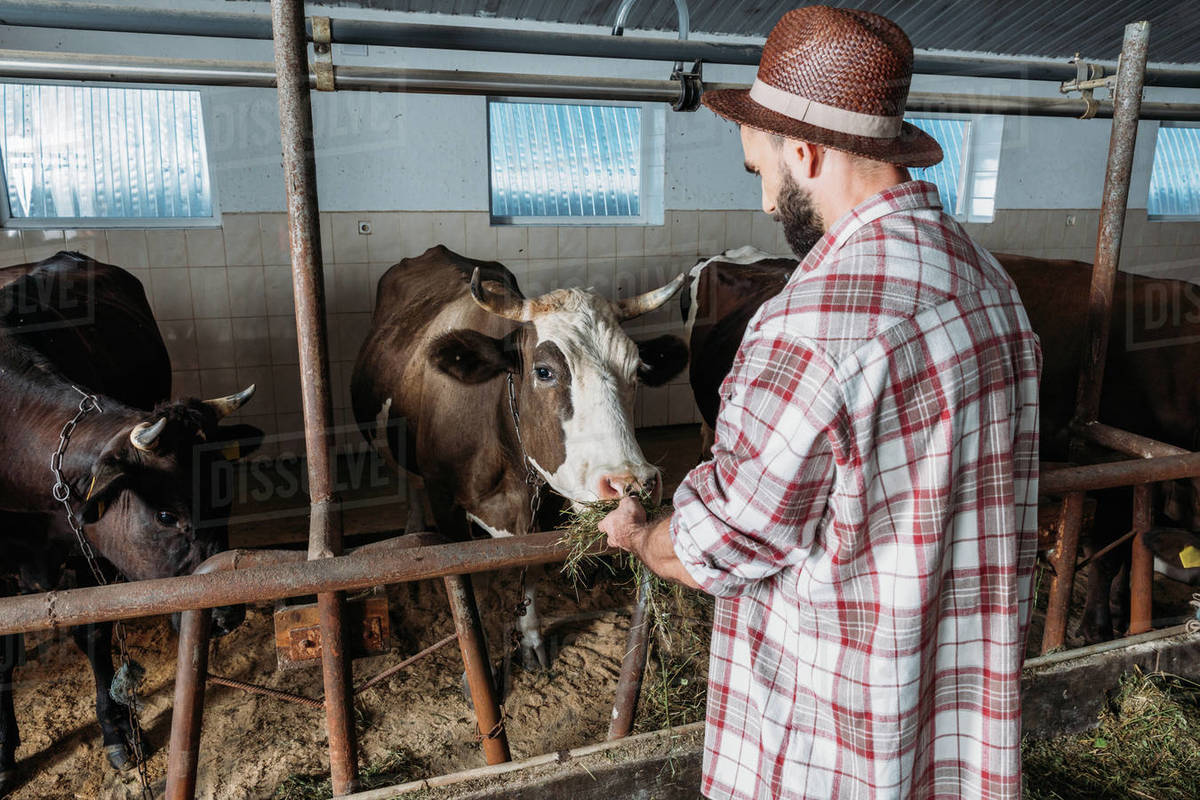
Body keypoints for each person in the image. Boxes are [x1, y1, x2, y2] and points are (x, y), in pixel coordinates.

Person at [599, 6, 1042, 800]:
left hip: (833, 745)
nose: (768, 203)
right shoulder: (990, 285)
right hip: (953, 731)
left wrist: (642, 534)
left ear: (803, 152)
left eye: (761, 172)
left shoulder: (811, 324)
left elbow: (727, 538)